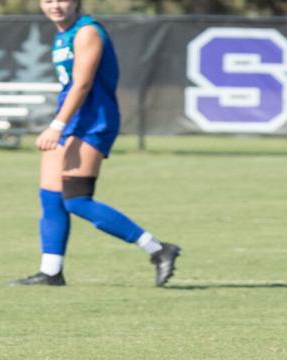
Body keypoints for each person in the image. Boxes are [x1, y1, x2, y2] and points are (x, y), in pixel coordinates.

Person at [12, 0, 180, 288]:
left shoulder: (86, 31)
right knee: (51, 196)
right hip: (72, 120)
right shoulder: (63, 34)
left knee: (77, 200)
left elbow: (82, 84)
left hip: (92, 123)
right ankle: (51, 271)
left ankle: (159, 249)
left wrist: (56, 125)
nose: (55, 5)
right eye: (47, 0)